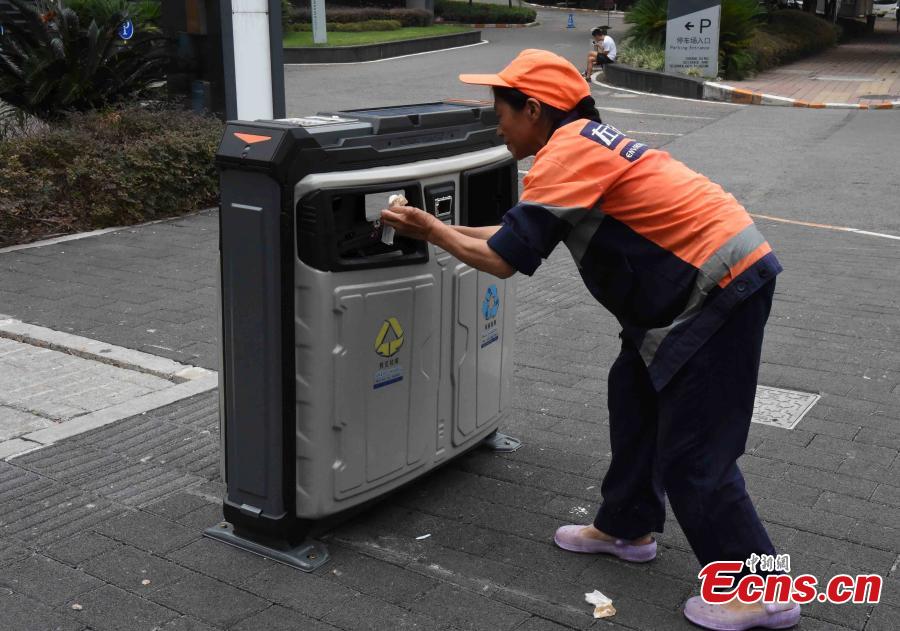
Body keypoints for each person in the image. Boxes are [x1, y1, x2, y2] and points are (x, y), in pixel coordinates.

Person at [381, 49, 800, 631]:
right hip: (688, 297)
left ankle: (762, 589)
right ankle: (626, 527)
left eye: (499, 110)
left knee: (697, 450)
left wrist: (429, 229)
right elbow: (513, 233)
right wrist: (437, 229)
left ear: (532, 109)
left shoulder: (568, 150)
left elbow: (502, 261)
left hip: (716, 292)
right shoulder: (583, 141)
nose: (495, 123)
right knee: (633, 395)